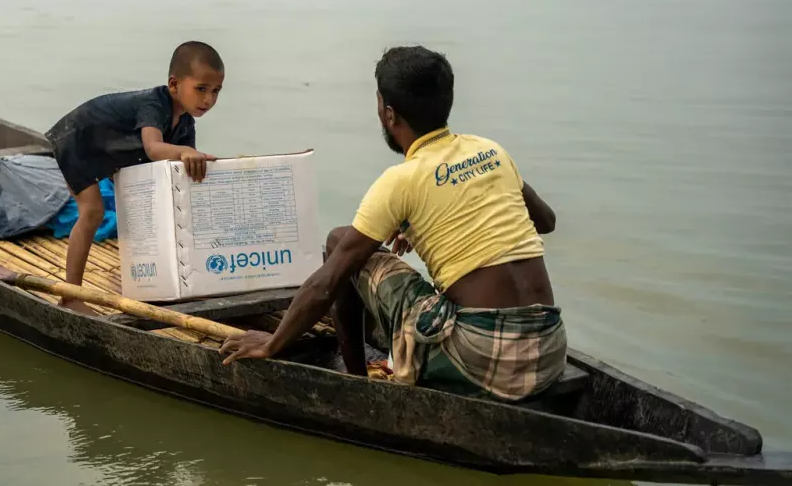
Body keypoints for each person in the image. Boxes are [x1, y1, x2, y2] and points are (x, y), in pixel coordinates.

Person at [221, 46, 566, 402]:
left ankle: (354, 381)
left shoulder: (401, 180)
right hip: (549, 349)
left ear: (389, 114)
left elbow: (328, 282)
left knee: (339, 240)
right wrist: (432, 222)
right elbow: (545, 221)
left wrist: (272, 343)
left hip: (479, 359)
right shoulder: (491, 151)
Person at [47, 42, 225, 315]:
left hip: (114, 148)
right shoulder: (154, 104)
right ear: (174, 84)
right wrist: (187, 152)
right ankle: (70, 295)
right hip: (79, 138)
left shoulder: (186, 124)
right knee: (92, 212)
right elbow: (154, 148)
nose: (209, 100)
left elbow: (176, 170)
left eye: (216, 91)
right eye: (201, 89)